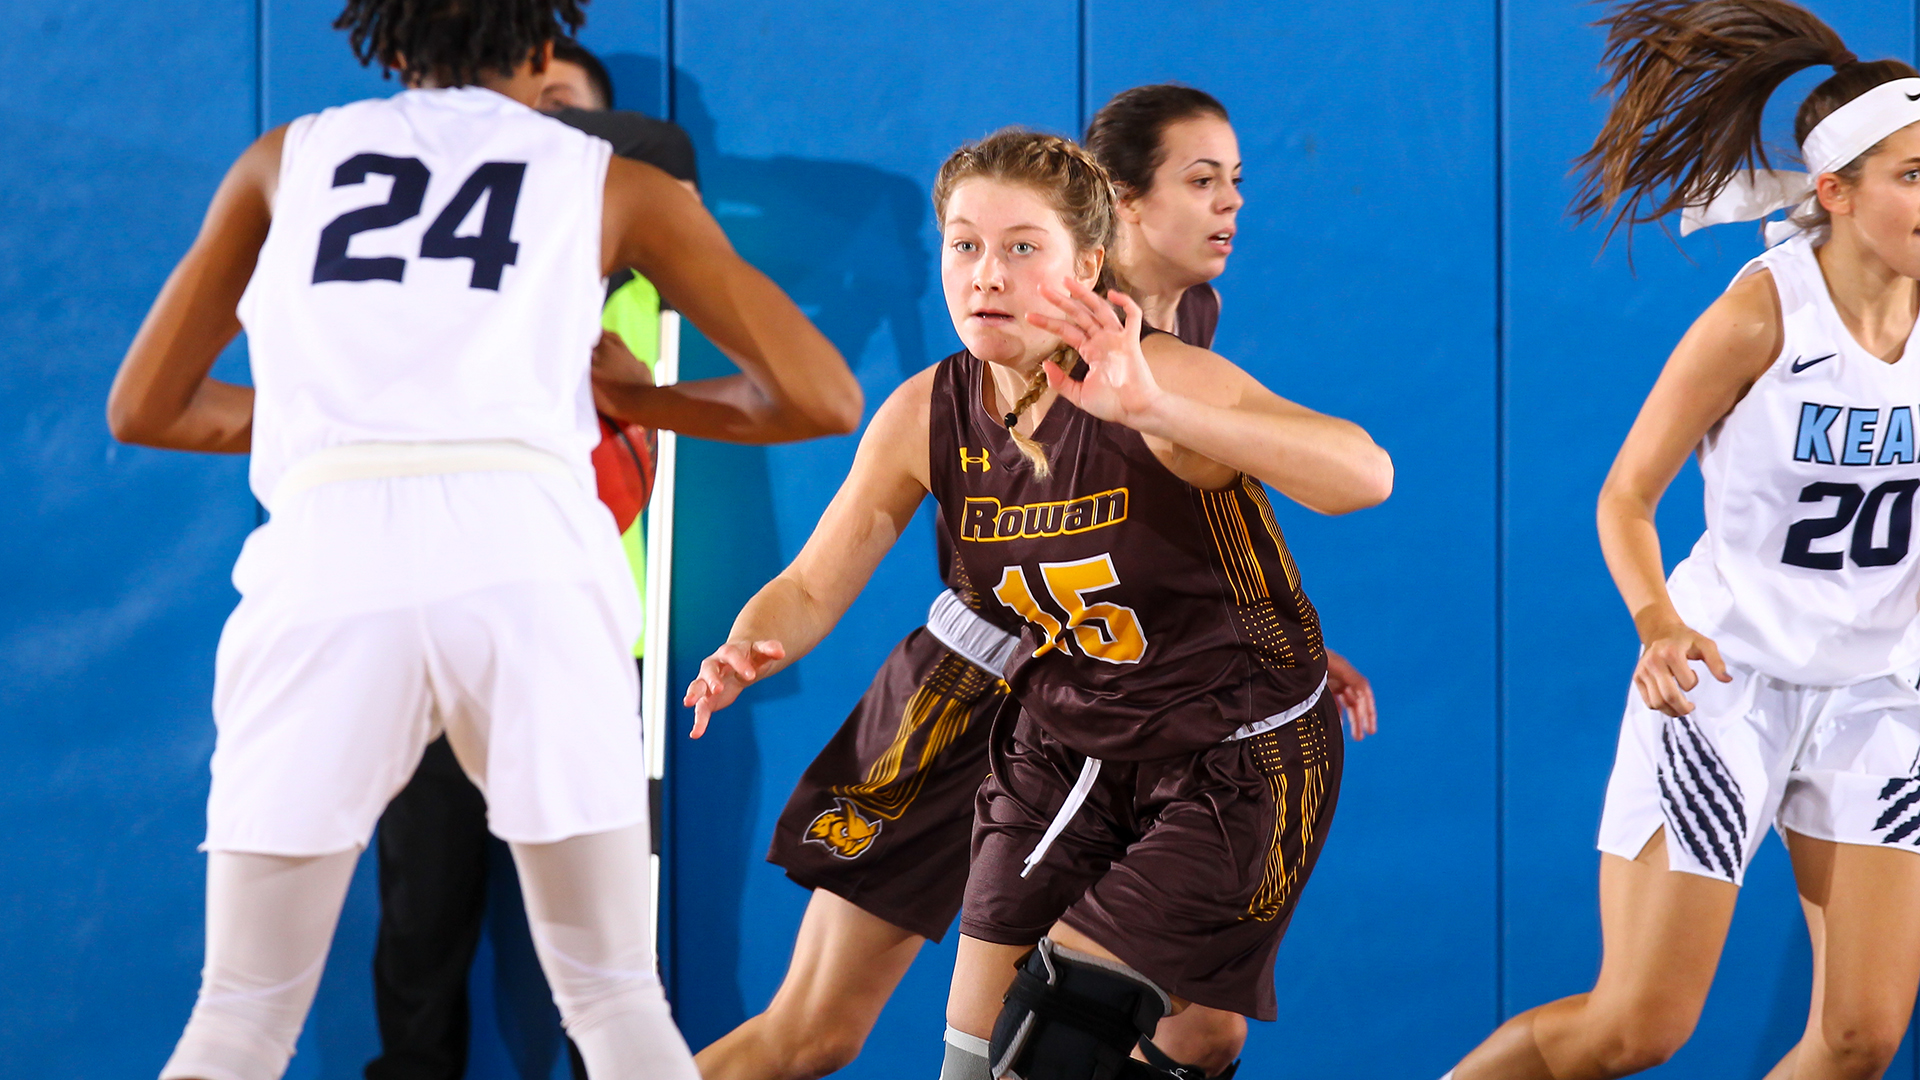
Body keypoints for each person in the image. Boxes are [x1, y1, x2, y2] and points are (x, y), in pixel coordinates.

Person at [104, 0, 861, 1076]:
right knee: (613, 999)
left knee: (237, 1013)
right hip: (529, 555)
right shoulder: (615, 181)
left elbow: (146, 408)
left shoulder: (283, 161)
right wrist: (638, 400)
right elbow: (822, 396)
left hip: (328, 553)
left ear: (391, 44)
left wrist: (351, 422)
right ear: (544, 48)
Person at [693, 86, 1378, 1080]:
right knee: (983, 1051)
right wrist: (750, 642)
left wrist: (1171, 431)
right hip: (1050, 713)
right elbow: (807, 585)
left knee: (1163, 1031)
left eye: (1020, 248)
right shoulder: (930, 407)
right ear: (1125, 204)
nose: (986, 274)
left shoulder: (1159, 365)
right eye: (964, 246)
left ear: (1088, 258)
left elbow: (1355, 475)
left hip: (1222, 742)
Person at [1442, 3, 1920, 1078]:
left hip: (1881, 695)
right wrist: (1658, 623)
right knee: (1636, 1028)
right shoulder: (1763, 317)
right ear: (1835, 193)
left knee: (1860, 1039)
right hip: (1726, 679)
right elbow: (1626, 495)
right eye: (1914, 174)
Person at [362, 37, 703, 1080]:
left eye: (558, 104)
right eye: (513, 95)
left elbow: (663, 149)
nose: (529, 121)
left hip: (588, 650)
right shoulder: (434, 277)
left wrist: (489, 133)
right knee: (421, 924)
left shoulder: (637, 240)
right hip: (436, 638)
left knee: (606, 954)